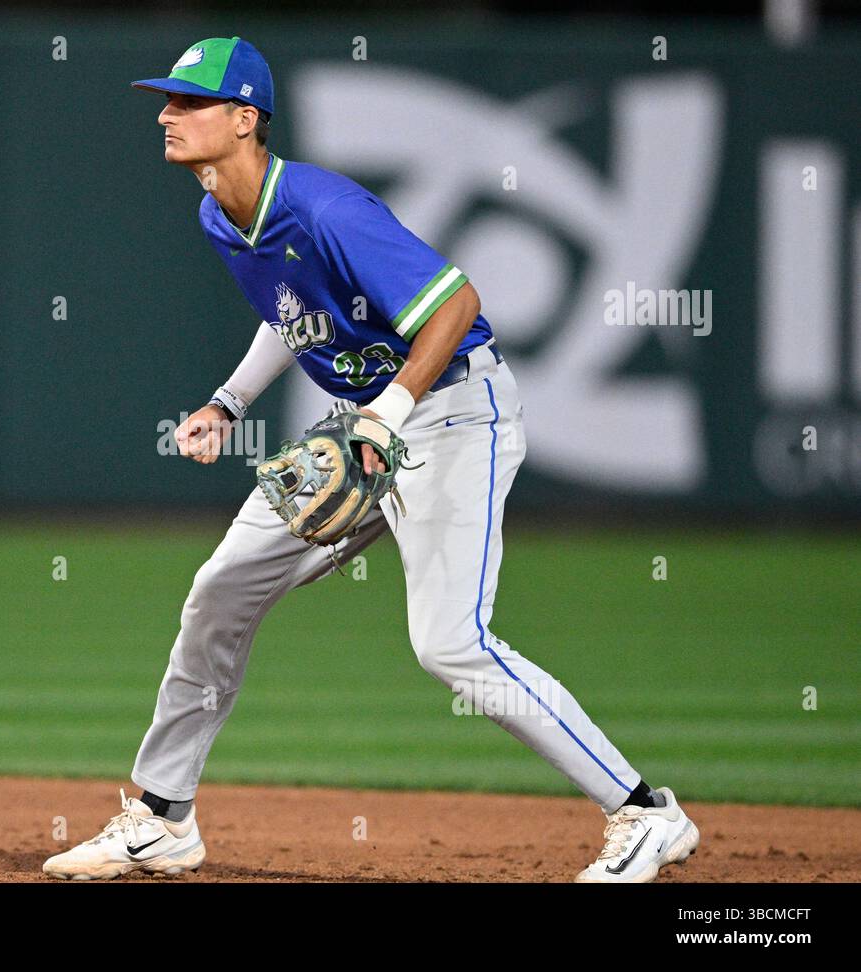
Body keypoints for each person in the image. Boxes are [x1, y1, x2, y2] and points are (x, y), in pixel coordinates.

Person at [43, 36, 699, 883]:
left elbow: (457, 304)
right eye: (165, 100)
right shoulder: (219, 209)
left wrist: (388, 415)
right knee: (219, 593)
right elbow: (293, 314)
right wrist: (228, 403)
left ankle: (643, 813)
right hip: (368, 430)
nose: (167, 115)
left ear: (245, 121)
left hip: (456, 412)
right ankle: (163, 818)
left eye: (188, 102)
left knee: (450, 644)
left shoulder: (325, 208)